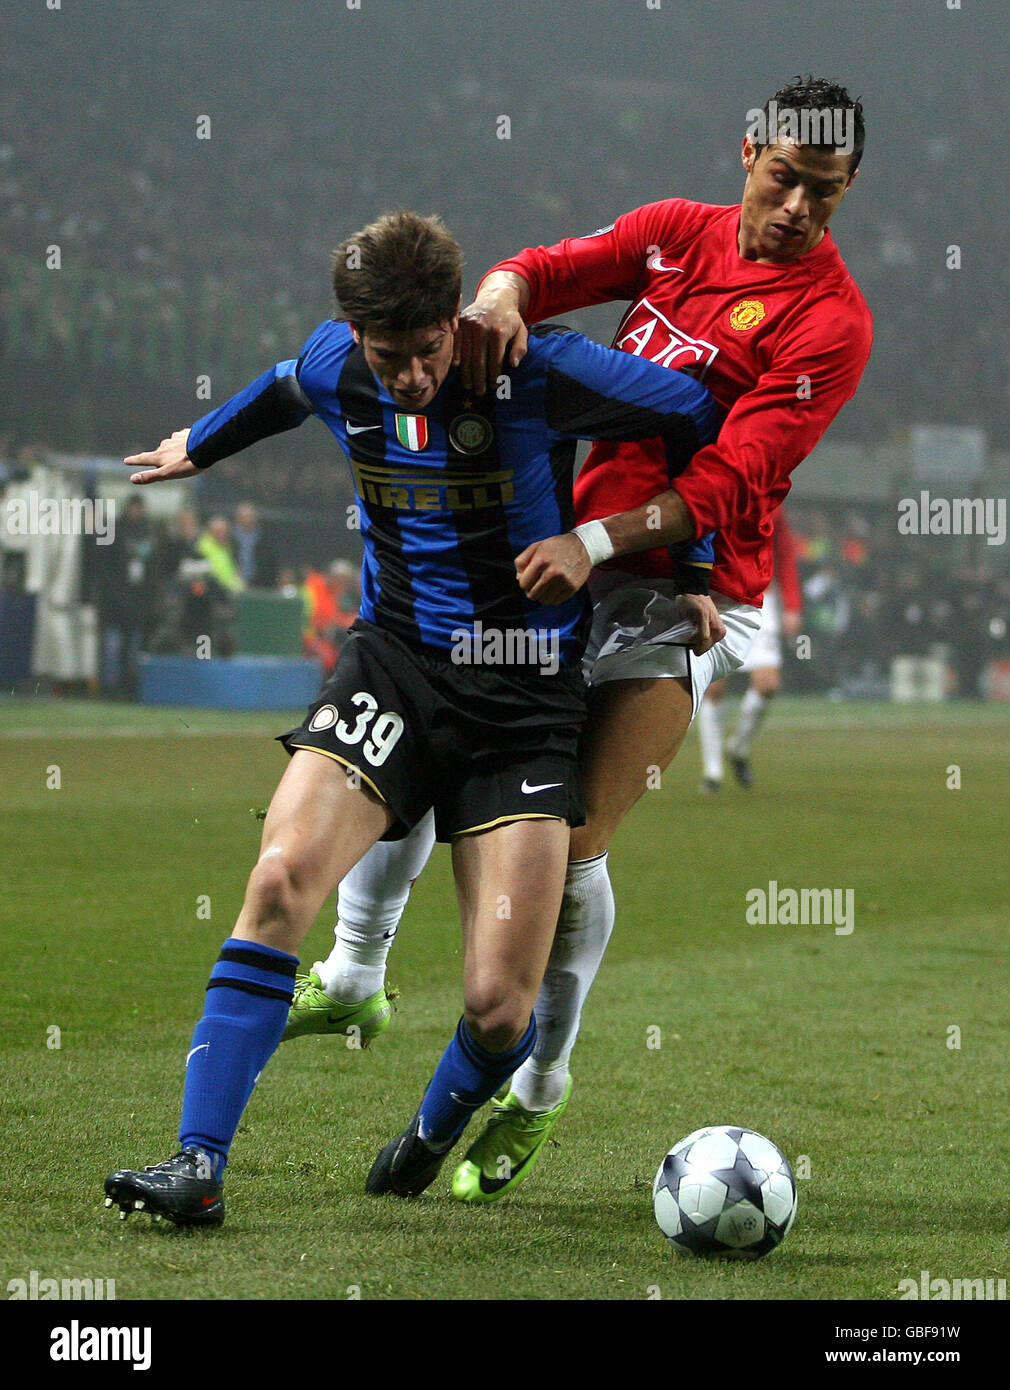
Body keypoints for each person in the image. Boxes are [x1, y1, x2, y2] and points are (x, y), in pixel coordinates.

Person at [286, 76, 874, 1205]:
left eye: (825, 194)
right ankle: (356, 968)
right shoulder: (670, 235)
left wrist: (598, 540)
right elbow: (545, 271)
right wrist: (504, 293)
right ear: (747, 150)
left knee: (572, 839)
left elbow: (724, 478)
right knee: (440, 733)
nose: (798, 207)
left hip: (679, 591)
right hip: (562, 560)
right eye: (785, 178)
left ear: (846, 192)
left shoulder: (826, 324)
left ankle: (540, 1085)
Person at [103, 209, 720, 1225]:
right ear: (354, 336)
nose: (409, 377)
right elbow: (280, 386)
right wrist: (198, 449)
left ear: (456, 318)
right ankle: (198, 1164)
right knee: (276, 879)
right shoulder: (339, 367)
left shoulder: (538, 371)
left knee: (496, 1004)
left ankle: (430, 1134)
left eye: (427, 350)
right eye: (386, 357)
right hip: (392, 667)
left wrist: (664, 559)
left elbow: (691, 413)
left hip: (523, 695)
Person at [696, 510, 803, 791]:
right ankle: (712, 771)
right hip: (718, 592)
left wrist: (792, 605)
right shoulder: (717, 492)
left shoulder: (772, 500)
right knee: (715, 687)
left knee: (767, 684)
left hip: (761, 597)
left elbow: (785, 554)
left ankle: (738, 746)